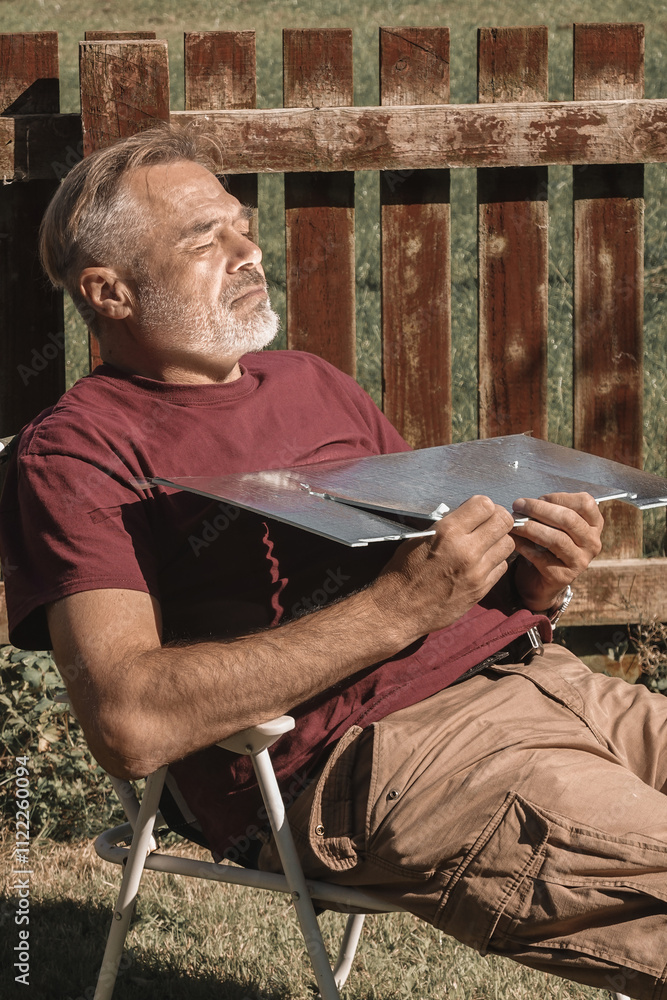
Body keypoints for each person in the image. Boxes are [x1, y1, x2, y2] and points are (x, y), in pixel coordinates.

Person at [0, 124, 665, 1000]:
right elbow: (130, 721)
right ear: (109, 291)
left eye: (241, 227)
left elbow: (423, 572)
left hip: (553, 686)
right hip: (391, 758)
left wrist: (534, 576)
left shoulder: (310, 381)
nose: (248, 251)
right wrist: (396, 611)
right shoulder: (80, 452)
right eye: (206, 239)